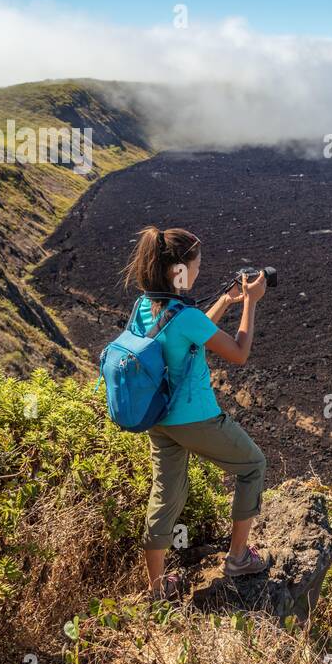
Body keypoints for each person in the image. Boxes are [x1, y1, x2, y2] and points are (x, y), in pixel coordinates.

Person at [120, 225, 270, 600]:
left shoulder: (144, 305)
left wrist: (224, 302)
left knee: (166, 491)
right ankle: (238, 558)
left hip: (157, 418)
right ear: (182, 270)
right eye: (197, 264)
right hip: (194, 418)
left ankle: (156, 589)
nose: (200, 269)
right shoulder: (184, 315)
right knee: (252, 466)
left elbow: (183, 332)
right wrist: (251, 302)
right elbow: (238, 352)